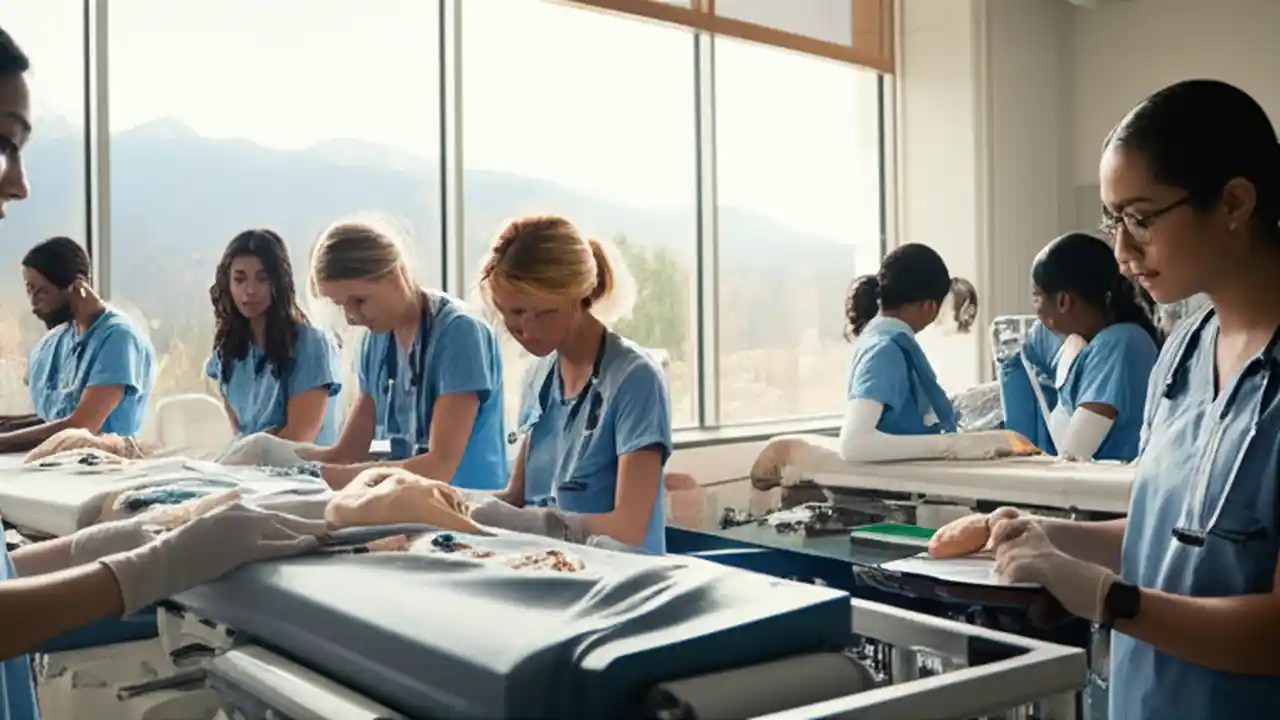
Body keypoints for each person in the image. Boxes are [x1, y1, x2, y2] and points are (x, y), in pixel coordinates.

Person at [0, 26, 325, 713]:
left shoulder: (302, 343)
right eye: (4, 144)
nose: (21, 184)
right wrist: (152, 563)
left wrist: (111, 542)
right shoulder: (220, 348)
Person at [959, 80, 1280, 719]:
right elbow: (1173, 536)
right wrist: (1048, 540)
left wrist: (1110, 600)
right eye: (1112, 221)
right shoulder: (1184, 353)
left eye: (1140, 218)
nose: (1121, 252)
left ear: (1234, 201)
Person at [466, 215, 671, 554]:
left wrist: (540, 524)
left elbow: (629, 527)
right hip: (551, 572)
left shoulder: (635, 379)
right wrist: (450, 501)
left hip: (623, 583)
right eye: (512, 314)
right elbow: (515, 499)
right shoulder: (539, 377)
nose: (526, 330)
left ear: (578, 295)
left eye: (542, 313)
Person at [279, 217, 508, 491]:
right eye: (342, 306)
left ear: (396, 272)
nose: (352, 318)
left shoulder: (460, 335)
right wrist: (271, 460)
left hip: (464, 504)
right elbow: (348, 452)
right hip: (405, 501)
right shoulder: (375, 343)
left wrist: (318, 477)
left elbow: (438, 467)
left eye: (360, 301)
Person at [838, 243, 1029, 462]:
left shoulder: (890, 344)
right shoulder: (884, 351)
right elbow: (854, 444)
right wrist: (951, 445)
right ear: (930, 306)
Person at [1003, 232, 1161, 462]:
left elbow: (1074, 452)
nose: (1035, 307)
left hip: (1110, 493)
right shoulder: (1094, 344)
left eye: (1037, 295)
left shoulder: (1120, 344)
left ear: (1063, 301)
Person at [0, 236, 156, 453]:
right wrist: (6, 425)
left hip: (106, 467)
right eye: (30, 290)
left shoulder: (119, 339)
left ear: (79, 286)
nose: (34, 304)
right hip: (57, 464)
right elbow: (53, 418)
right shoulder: (56, 341)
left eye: (42, 291)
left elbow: (81, 427)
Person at [206, 229, 343, 444]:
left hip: (300, 471)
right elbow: (240, 434)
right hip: (247, 470)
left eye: (262, 279)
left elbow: (299, 437)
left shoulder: (312, 346)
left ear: (279, 282)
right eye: (239, 280)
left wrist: (240, 459)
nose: (249, 290)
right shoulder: (227, 353)